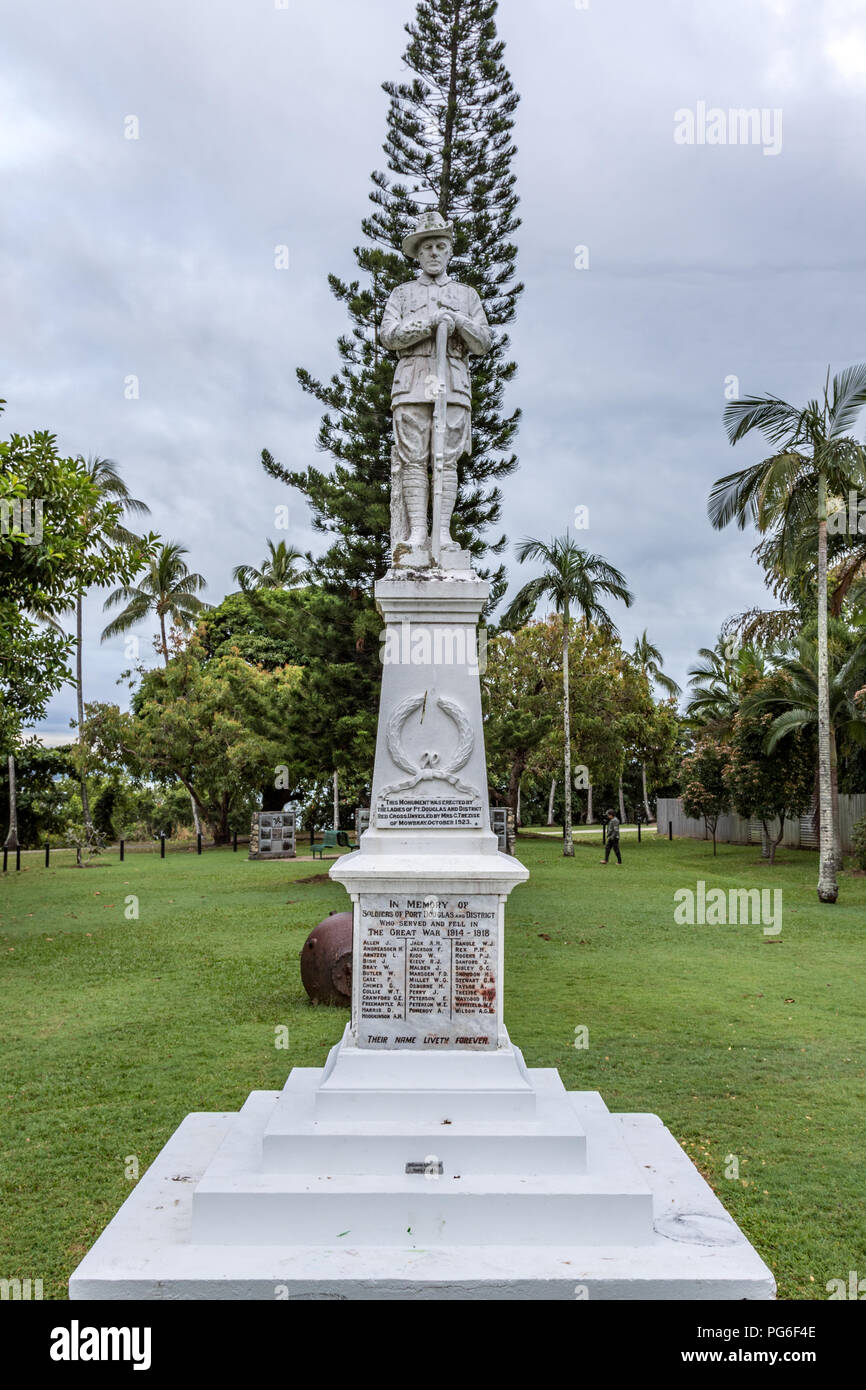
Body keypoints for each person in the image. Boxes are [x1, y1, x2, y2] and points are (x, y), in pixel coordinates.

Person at [380, 209, 491, 562]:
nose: (433, 253)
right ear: (417, 252)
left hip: (452, 385)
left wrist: (456, 321)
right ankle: (417, 533)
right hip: (412, 383)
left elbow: (483, 341)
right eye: (426, 246)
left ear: (449, 251)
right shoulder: (402, 295)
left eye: (440, 246)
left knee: (447, 459)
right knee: (413, 458)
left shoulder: (466, 296)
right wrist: (428, 325)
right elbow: (389, 335)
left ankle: (442, 531)